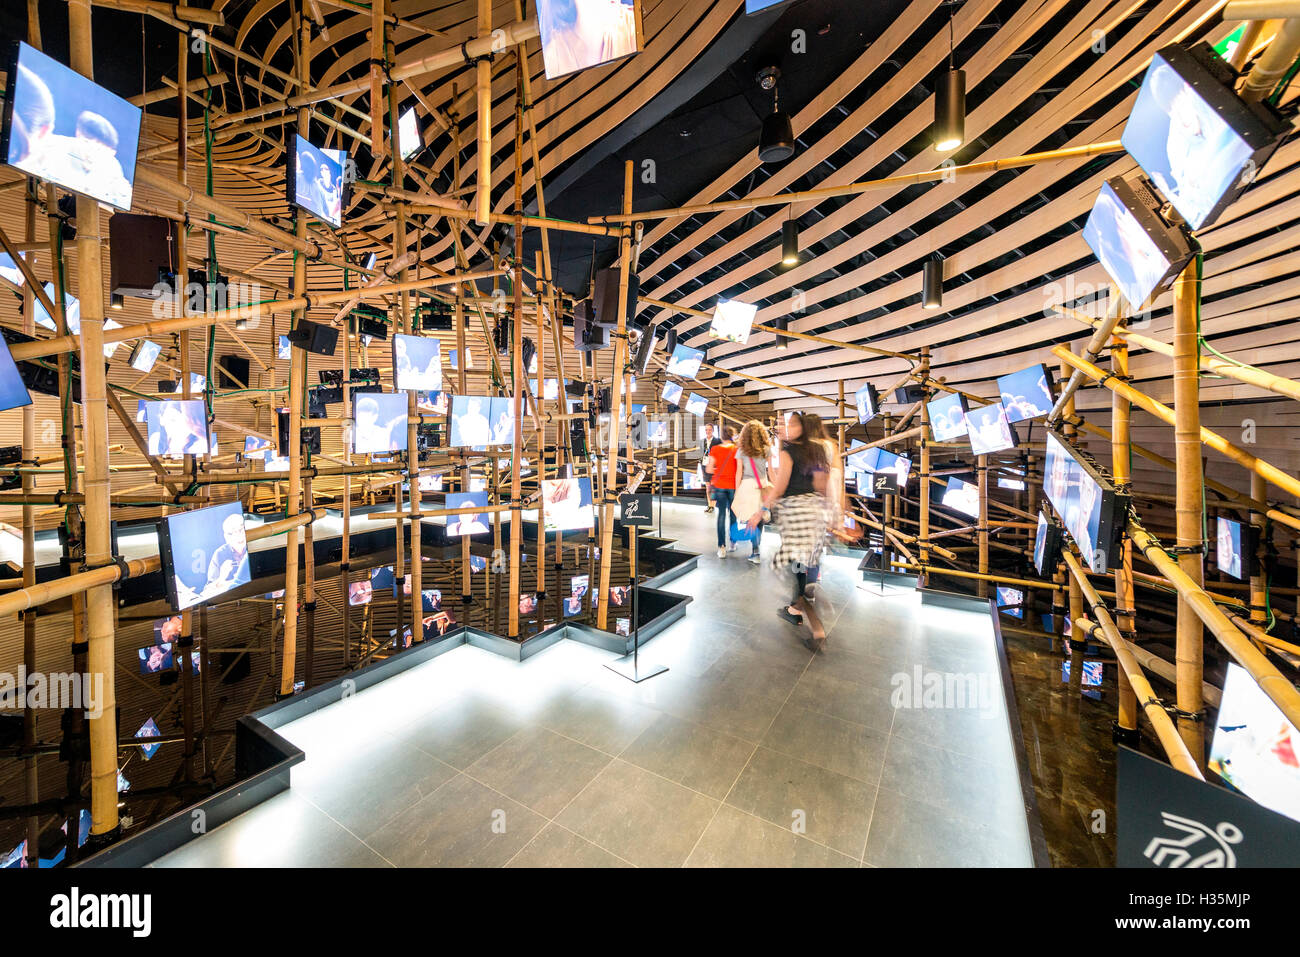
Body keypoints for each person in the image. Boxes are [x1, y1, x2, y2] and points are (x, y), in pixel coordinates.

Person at [761, 411, 830, 650]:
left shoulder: (788, 452)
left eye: (792, 423)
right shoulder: (817, 451)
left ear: (801, 427)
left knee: (791, 566)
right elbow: (822, 486)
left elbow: (779, 487)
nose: (788, 427)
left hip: (795, 513)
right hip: (816, 512)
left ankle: (811, 615)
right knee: (804, 563)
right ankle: (805, 598)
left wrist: (760, 510)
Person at [733, 420, 771, 565]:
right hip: (763, 484)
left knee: (751, 519)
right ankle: (757, 546)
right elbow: (771, 471)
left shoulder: (741, 450)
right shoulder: (767, 448)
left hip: (748, 485)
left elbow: (739, 472)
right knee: (759, 517)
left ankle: (755, 550)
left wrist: (737, 491)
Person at [704, 426, 739, 558]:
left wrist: (718, 471)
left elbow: (709, 469)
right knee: (734, 516)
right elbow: (739, 469)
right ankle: (733, 542)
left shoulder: (715, 449)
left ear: (721, 436)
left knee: (721, 515)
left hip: (719, 486)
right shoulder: (736, 449)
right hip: (733, 486)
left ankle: (721, 547)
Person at [699, 423, 721, 512]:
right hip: (704, 465)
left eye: (709, 429)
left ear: (713, 430)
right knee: (707, 486)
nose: (708, 431)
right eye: (706, 430)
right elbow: (700, 453)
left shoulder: (717, 441)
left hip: (714, 466)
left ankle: (713, 505)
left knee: (713, 486)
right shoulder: (702, 441)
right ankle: (709, 505)